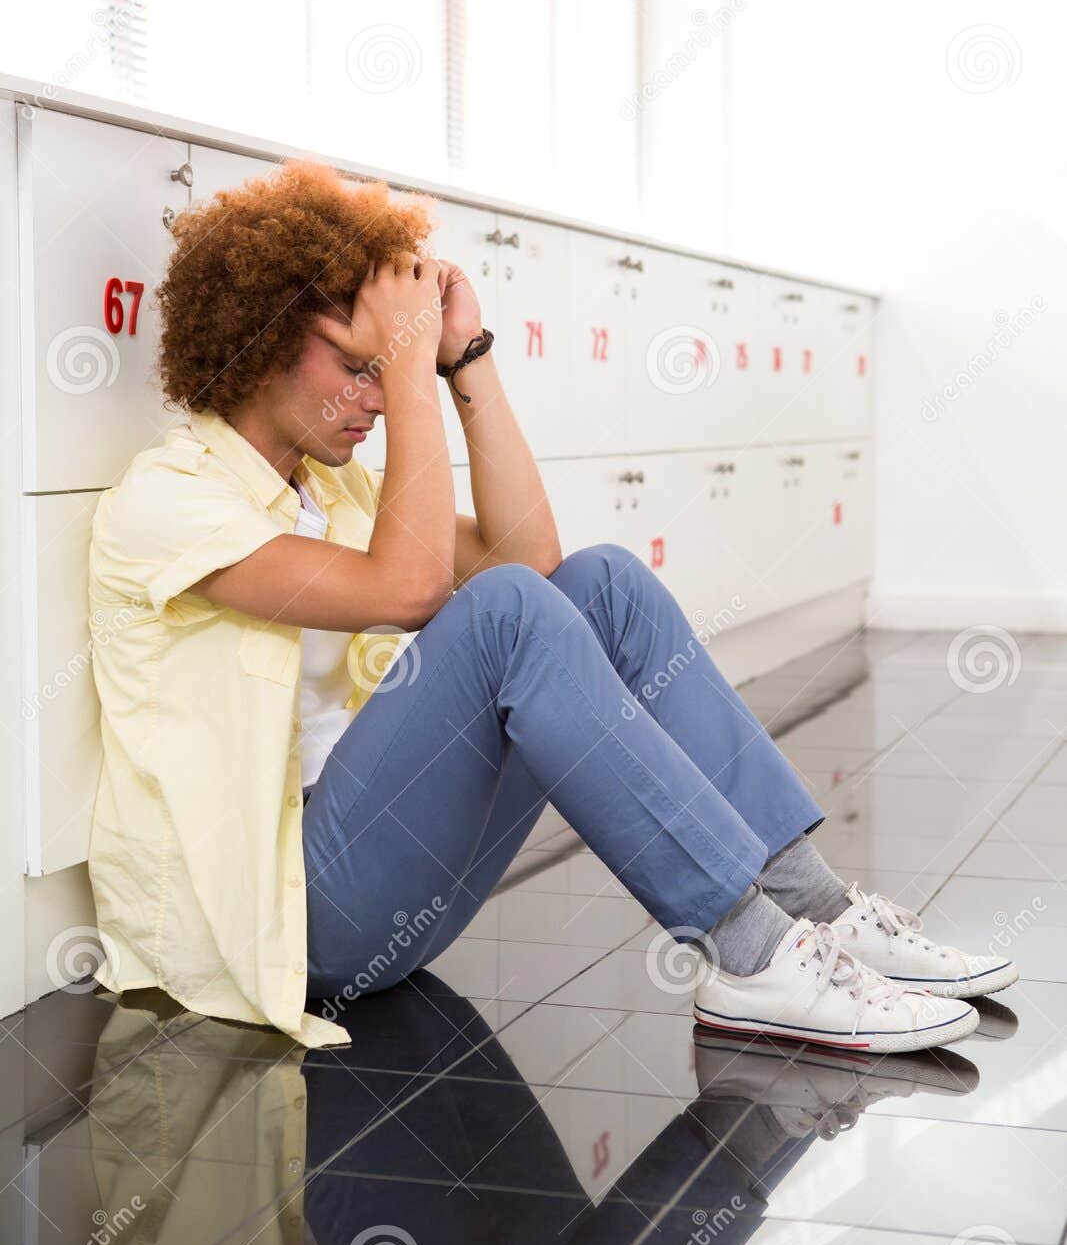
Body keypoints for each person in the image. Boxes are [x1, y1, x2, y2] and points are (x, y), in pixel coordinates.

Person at [87, 160, 1016, 1057]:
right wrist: (405, 362)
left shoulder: (332, 493)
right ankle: (750, 957)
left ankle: (817, 915)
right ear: (259, 339)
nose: (375, 400)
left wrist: (464, 361)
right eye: (354, 366)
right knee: (501, 613)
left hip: (395, 891)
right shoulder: (169, 501)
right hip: (292, 922)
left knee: (602, 584)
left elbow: (532, 560)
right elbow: (414, 590)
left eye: (382, 373)